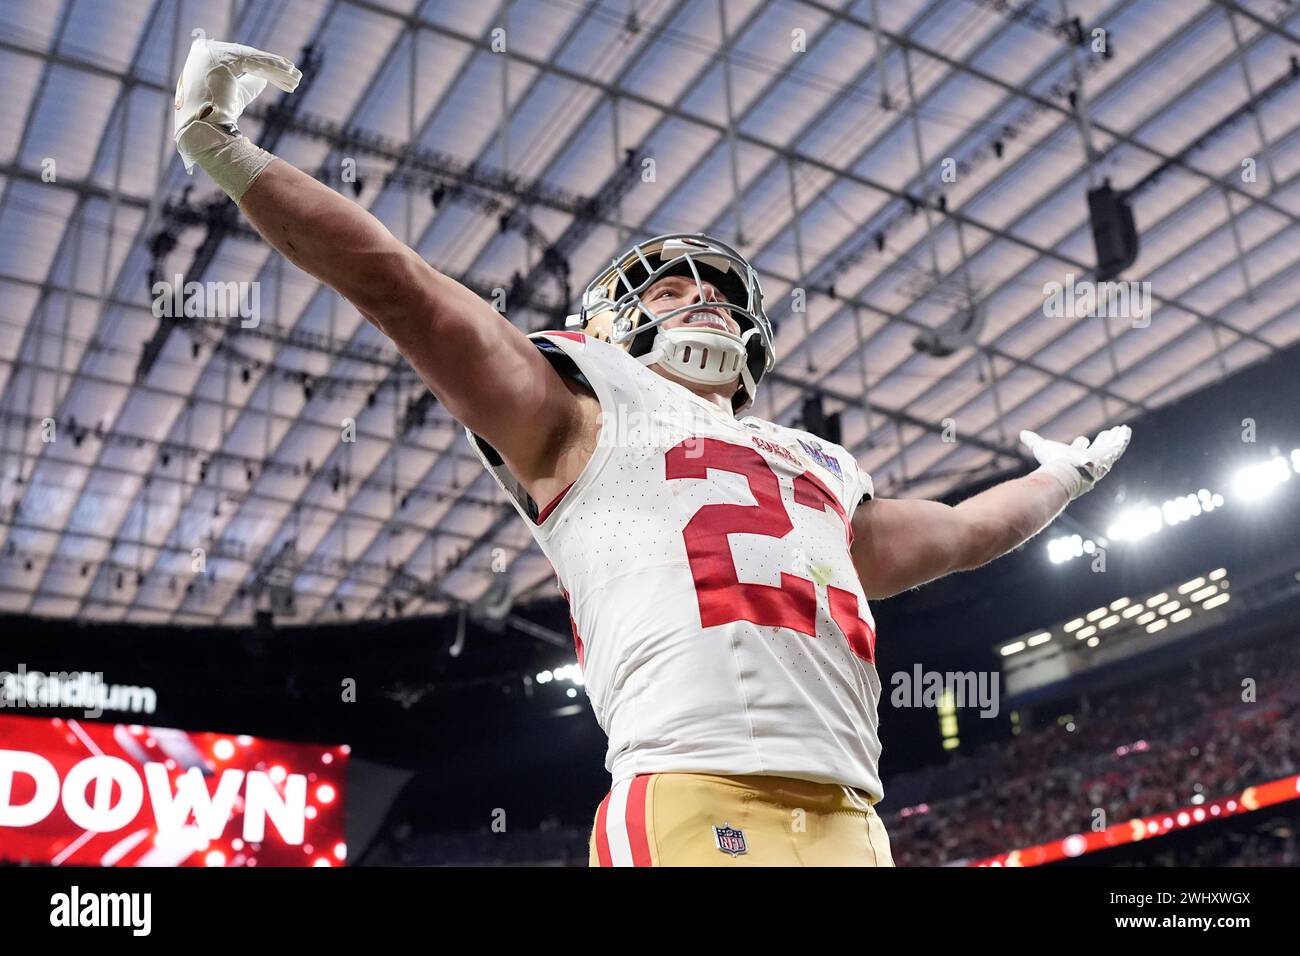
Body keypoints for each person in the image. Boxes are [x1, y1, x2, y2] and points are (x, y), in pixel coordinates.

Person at [172, 39, 1131, 866]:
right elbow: (403, 289)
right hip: (692, 788)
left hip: (851, 812)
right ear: (611, 322)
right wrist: (225, 151)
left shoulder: (817, 466)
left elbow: (963, 531)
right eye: (669, 292)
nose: (699, 299)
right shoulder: (579, 406)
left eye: (710, 289)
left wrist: (1061, 477)